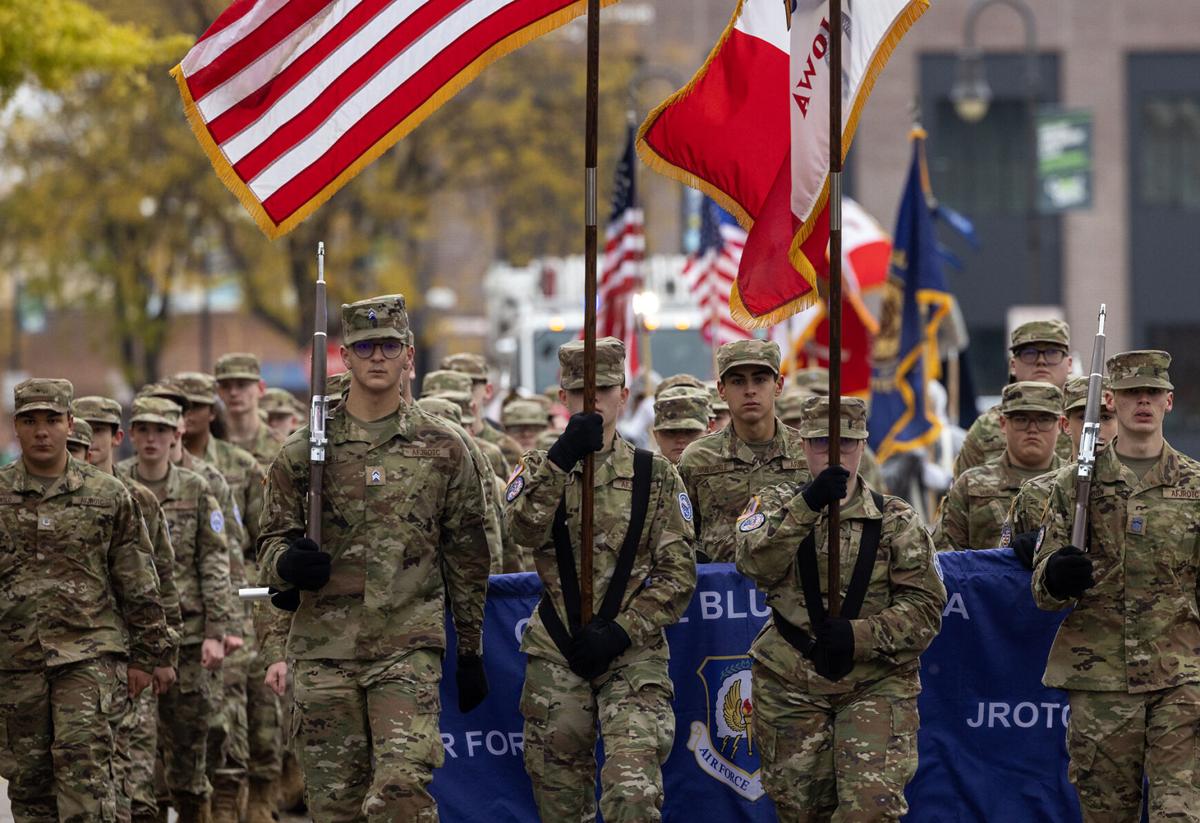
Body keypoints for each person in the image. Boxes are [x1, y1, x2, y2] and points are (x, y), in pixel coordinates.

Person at [256, 294, 492, 822]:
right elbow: (270, 543)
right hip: (324, 652)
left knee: (402, 792)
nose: (378, 357)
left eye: (389, 344)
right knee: (335, 807)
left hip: (406, 648)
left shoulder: (445, 447)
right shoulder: (304, 452)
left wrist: (472, 649)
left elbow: (468, 556)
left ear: (409, 354)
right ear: (345, 356)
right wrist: (288, 564)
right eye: (365, 347)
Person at [505, 336, 696, 822]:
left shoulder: (656, 476)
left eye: (604, 390)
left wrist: (623, 629)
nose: (592, 402)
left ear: (624, 395)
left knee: (633, 793)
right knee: (559, 800)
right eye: (578, 393)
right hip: (557, 649)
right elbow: (522, 530)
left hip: (632, 655)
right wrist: (561, 457)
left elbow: (677, 574)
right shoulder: (539, 468)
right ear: (561, 398)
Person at [736, 395, 946, 822]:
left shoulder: (897, 520)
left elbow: (926, 608)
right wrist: (807, 505)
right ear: (802, 445)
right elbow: (754, 564)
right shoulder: (775, 505)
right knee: (801, 811)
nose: (834, 454)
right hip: (791, 680)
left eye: (846, 444)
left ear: (863, 445)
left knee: (871, 810)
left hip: (875, 682)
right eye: (819, 444)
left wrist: (860, 635)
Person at [1032, 350, 1200, 822]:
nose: (1142, 401)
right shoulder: (1074, 487)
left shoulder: (1196, 486)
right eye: (1131, 393)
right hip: (1100, 676)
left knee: (1180, 813)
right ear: (1112, 400)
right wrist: (1056, 573)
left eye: (1152, 392)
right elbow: (1042, 592)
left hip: (1181, 675)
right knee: (1107, 812)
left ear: (1169, 401)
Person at [0, 379, 171, 823]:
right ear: (15, 426)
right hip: (15, 663)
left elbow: (138, 581)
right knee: (30, 785)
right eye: (30, 421)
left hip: (89, 658)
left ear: (70, 424)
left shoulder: (108, 495)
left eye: (52, 420)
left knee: (86, 781)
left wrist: (147, 656)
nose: (42, 431)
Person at [120, 396, 234, 822]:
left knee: (188, 758)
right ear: (131, 436)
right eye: (144, 430)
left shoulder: (197, 487)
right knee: (138, 761)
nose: (152, 439)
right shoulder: (120, 487)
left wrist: (216, 631)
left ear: (176, 435)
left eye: (161, 431)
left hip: (188, 637)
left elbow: (215, 560)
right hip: (136, 643)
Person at [76, 394, 183, 823]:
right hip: (72, 659)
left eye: (98, 430)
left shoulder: (135, 498)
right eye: (81, 427)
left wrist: (162, 653)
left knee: (136, 786)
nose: (88, 439)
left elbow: (162, 582)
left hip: (129, 658)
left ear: (116, 436)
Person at [678, 340, 808, 562]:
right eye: (738, 381)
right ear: (721, 390)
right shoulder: (698, 458)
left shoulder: (807, 452)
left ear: (778, 385)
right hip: (723, 592)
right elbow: (681, 534)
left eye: (760, 380)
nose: (750, 391)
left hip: (793, 592)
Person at [1000, 376, 1117, 567]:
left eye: (1105, 418)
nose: (1094, 428)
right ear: (1065, 425)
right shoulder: (1036, 493)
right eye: (1084, 418)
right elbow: (1003, 572)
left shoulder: (1139, 489)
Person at [933, 382, 1065, 552]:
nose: (1032, 429)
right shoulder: (970, 484)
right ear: (1003, 423)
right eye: (1021, 419)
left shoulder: (1075, 484)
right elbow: (943, 558)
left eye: (1044, 419)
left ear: (1061, 425)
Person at [953, 320, 1074, 476]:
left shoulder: (1088, 419)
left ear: (1069, 364)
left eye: (1052, 352)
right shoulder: (987, 426)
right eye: (1029, 353)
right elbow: (962, 489)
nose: (1041, 361)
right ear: (1013, 365)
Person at [441, 351, 524, 466]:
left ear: (488, 391)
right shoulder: (428, 443)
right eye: (450, 388)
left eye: (470, 387)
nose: (460, 396)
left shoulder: (506, 449)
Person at [214, 353, 285, 467]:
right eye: (226, 386)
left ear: (261, 388)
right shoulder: (208, 443)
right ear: (218, 391)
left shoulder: (280, 448)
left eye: (242, 385)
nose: (233, 392)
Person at [651, 387, 711, 465]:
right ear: (656, 436)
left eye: (690, 431)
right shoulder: (640, 470)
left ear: (708, 434)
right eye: (671, 432)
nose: (680, 440)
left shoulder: (723, 471)